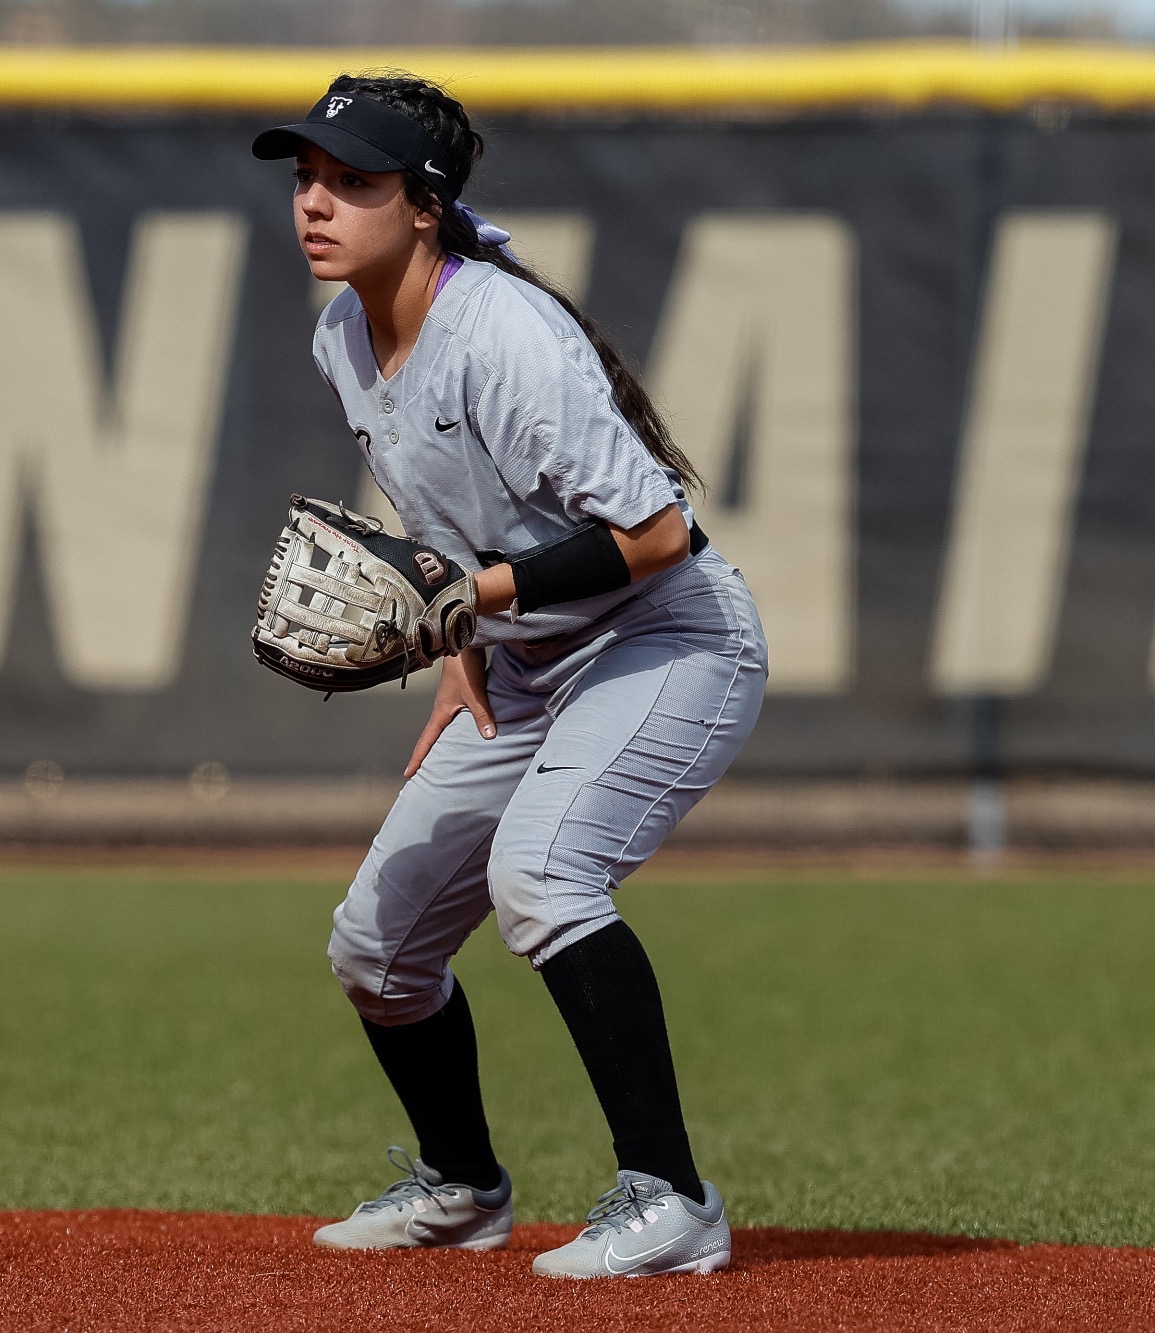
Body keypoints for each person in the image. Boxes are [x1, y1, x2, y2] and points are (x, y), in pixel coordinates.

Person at [251, 72, 768, 1279]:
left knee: (542, 873)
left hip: (665, 639)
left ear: (424, 205)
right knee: (374, 949)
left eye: (354, 181)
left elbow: (656, 537)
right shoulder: (341, 332)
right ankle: (460, 1186)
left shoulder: (501, 333)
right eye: (306, 176)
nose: (316, 202)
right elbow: (454, 514)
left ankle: (670, 1194)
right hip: (526, 659)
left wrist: (466, 603)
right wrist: (458, 652)